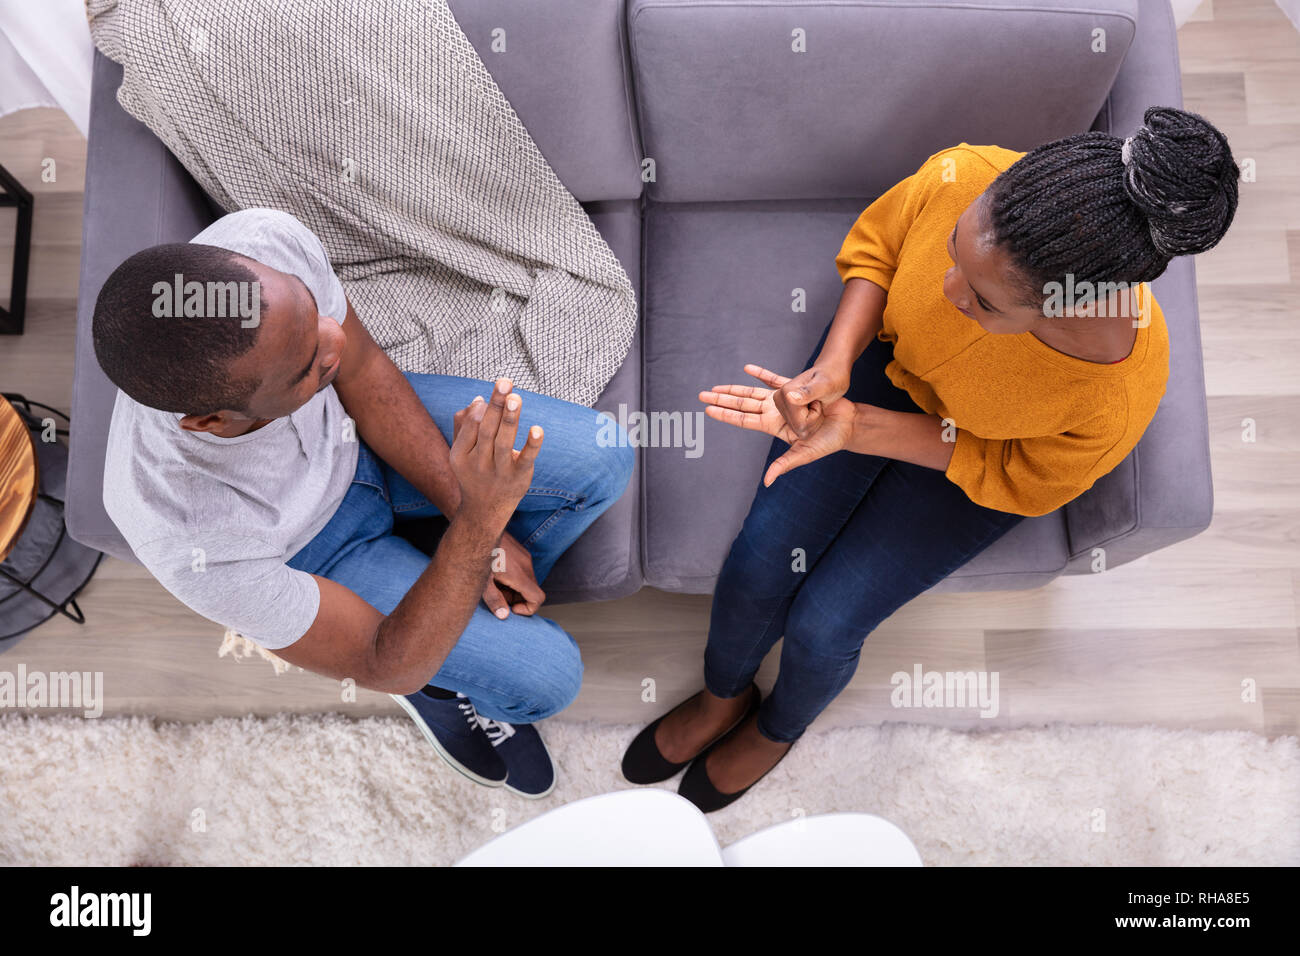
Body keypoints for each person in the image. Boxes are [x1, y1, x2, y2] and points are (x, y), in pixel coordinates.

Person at [621, 106, 1240, 812]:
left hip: (978, 461)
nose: (948, 291)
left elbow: (1023, 478)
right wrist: (833, 366)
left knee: (828, 622)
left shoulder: (1116, 390)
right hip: (878, 369)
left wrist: (861, 429)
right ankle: (720, 695)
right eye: (954, 252)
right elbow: (880, 249)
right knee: (760, 559)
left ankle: (778, 726)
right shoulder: (964, 172)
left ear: (1063, 309)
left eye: (979, 299)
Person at [94, 207, 633, 800]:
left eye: (313, 312)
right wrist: (481, 523)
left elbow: (366, 367)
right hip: (318, 554)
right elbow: (381, 660)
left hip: (357, 433)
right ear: (213, 422)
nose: (336, 338)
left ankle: (447, 612)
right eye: (307, 365)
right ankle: (437, 681)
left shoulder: (264, 244)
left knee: (601, 456)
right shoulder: (186, 535)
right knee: (547, 681)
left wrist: (470, 521)